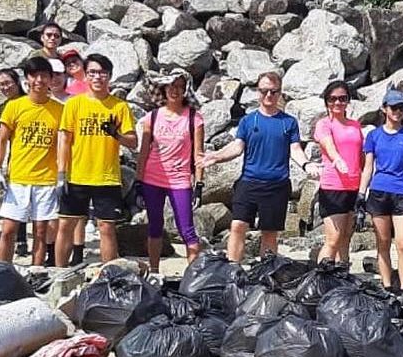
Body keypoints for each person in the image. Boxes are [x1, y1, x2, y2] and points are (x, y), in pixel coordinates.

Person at [203, 71, 318, 262]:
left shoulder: (288, 122)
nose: (269, 96)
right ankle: (232, 270)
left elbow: (295, 149)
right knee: (238, 226)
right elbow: (237, 147)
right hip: (248, 182)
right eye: (264, 91)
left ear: (280, 93)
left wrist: (307, 165)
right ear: (258, 92)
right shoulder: (248, 121)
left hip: (277, 185)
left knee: (270, 233)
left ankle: (266, 274)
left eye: (273, 92)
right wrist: (216, 156)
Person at [57, 54, 137, 266]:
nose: (97, 77)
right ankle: (59, 273)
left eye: (102, 72)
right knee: (65, 225)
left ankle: (108, 276)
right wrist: (61, 173)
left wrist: (116, 135)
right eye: (92, 72)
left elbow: (133, 142)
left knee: (106, 228)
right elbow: (65, 139)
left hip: (106, 177)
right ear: (85, 75)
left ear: (109, 76)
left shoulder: (119, 107)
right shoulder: (74, 104)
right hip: (76, 175)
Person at [0, 57, 64, 267]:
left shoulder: (59, 110)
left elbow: (63, 144)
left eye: (44, 75)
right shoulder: (15, 106)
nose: (39, 80)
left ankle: (36, 270)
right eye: (35, 75)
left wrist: (62, 174)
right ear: (27, 79)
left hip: (47, 179)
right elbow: (2, 140)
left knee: (41, 231)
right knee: (8, 229)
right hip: (18, 178)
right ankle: (2, 269)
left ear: (51, 79)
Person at [138, 71, 205, 276]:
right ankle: (155, 270)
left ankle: (192, 275)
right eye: (171, 86)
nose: (175, 91)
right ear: (164, 89)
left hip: (180, 179)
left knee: (187, 230)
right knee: (155, 227)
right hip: (152, 178)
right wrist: (138, 182)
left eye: (179, 86)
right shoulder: (153, 116)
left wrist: (199, 184)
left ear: (186, 90)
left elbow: (199, 154)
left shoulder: (194, 118)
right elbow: (143, 152)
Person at [361, 89, 403, 293]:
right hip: (379, 190)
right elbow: (368, 166)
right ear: (384, 109)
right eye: (394, 107)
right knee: (383, 243)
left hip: (402, 191)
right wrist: (362, 193)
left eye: (402, 108)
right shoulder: (373, 136)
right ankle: (386, 286)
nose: (398, 111)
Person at [313, 81, 363, 264]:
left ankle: (342, 277)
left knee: (345, 239)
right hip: (333, 186)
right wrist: (337, 159)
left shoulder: (355, 125)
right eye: (333, 99)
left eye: (342, 99)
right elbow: (328, 145)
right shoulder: (324, 124)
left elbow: (361, 155)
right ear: (326, 101)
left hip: (353, 186)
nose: (337, 103)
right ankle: (322, 278)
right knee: (333, 239)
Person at [0, 67, 30, 258]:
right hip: (15, 159)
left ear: (17, 82)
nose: (5, 87)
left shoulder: (31, 101)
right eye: (1, 85)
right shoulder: (2, 108)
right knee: (17, 204)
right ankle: (21, 240)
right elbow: (1, 139)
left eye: (8, 83)